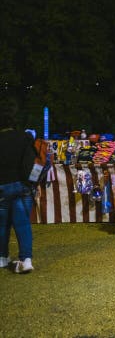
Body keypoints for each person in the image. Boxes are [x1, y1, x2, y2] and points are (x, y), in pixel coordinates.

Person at [0, 95, 37, 273]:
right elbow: (32, 164)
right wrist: (28, 183)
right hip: (21, 186)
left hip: (2, 187)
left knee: (1, 225)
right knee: (22, 224)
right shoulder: (24, 138)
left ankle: (2, 257)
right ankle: (26, 259)